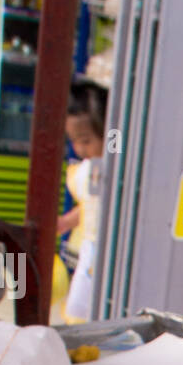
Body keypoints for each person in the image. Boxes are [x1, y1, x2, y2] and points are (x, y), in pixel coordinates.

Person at [58, 80, 108, 321]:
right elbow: (90, 206)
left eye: (86, 141)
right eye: (73, 141)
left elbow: (116, 138)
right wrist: (66, 222)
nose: (78, 149)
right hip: (89, 247)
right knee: (79, 306)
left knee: (84, 306)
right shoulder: (87, 169)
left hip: (104, 248)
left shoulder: (114, 163)